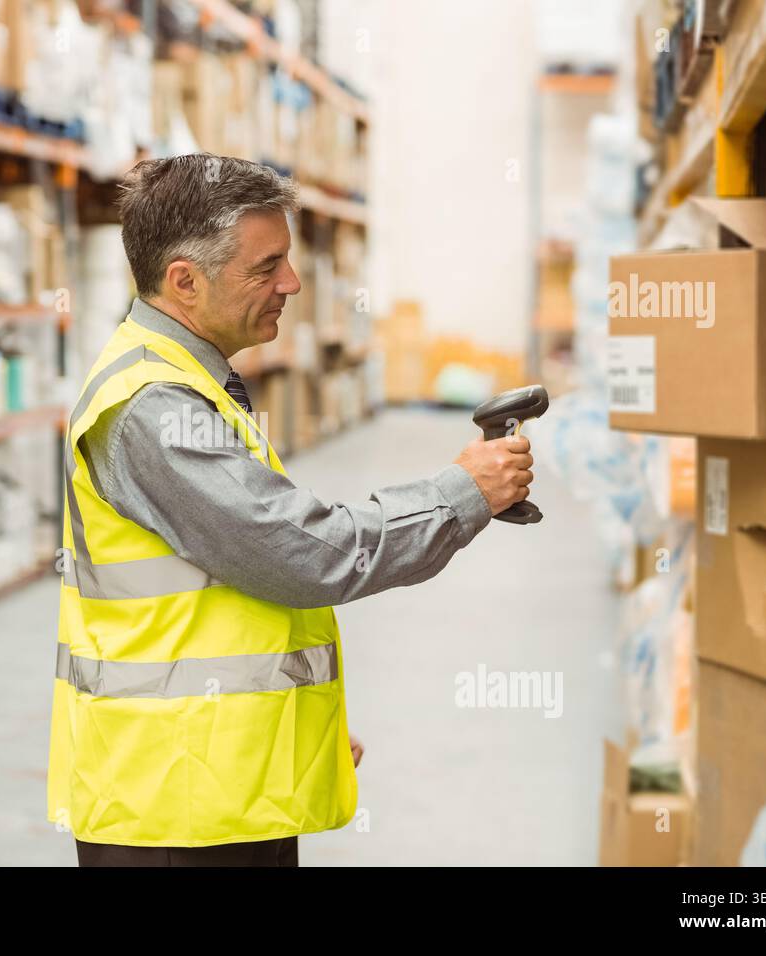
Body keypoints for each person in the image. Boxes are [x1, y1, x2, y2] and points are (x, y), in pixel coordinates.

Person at [46, 154, 533, 867]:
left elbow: (230, 590)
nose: (292, 283)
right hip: (173, 814)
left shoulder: (190, 382)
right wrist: (461, 492)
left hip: (216, 784)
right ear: (184, 279)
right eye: (266, 266)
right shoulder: (152, 406)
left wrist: (303, 720)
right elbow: (304, 551)